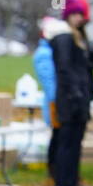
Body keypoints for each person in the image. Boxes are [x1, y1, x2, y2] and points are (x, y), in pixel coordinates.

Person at [49, 0, 93, 186]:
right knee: (67, 143)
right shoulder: (63, 37)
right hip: (70, 101)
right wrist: (75, 93)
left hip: (81, 100)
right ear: (68, 15)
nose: (80, 18)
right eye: (76, 14)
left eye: (82, 14)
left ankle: (72, 183)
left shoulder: (80, 38)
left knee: (76, 143)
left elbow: (84, 67)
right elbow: (65, 69)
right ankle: (63, 184)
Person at [34, 15, 71, 170]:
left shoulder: (50, 51)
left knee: (58, 137)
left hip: (57, 101)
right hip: (54, 103)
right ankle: (53, 169)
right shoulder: (44, 54)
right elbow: (49, 82)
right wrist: (58, 102)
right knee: (57, 137)